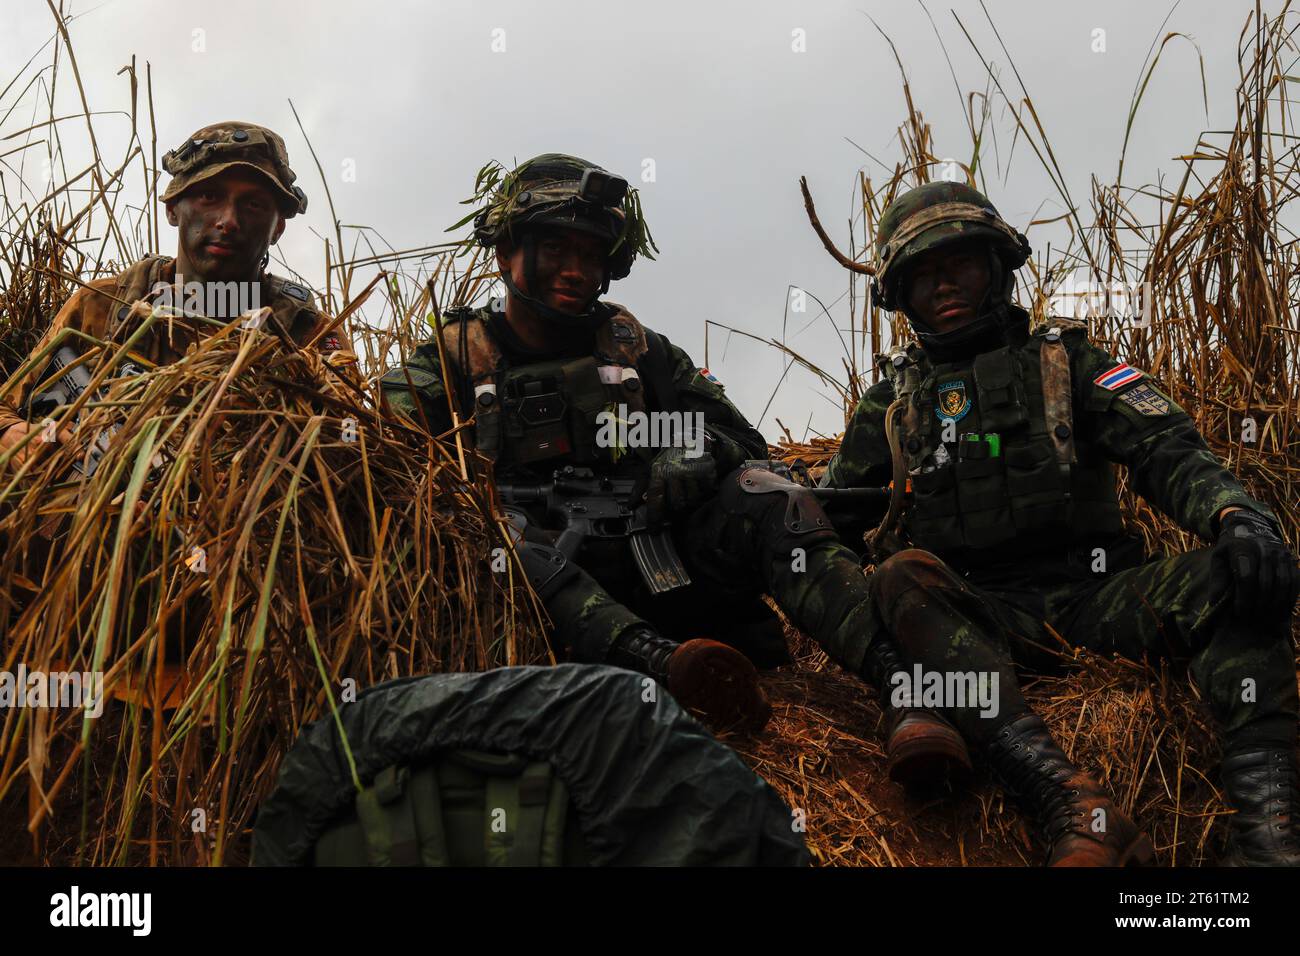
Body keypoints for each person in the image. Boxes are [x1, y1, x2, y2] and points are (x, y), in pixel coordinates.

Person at [382, 154, 973, 784]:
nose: (576, 270)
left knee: (770, 495)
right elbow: (387, 470)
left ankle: (904, 687)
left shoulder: (639, 351)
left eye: (591, 252)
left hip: (662, 562)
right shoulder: (447, 364)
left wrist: (695, 447)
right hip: (537, 594)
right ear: (506, 254)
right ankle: (676, 672)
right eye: (555, 248)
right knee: (505, 545)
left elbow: (743, 439)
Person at [823, 179, 1300, 866]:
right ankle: (1067, 800)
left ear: (995, 266)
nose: (942, 285)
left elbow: (1166, 449)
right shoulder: (890, 405)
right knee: (902, 577)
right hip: (975, 624)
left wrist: (1235, 515)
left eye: (957, 263)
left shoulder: (1067, 361)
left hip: (1098, 599)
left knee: (1243, 575)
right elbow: (833, 520)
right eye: (920, 275)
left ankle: (1267, 833)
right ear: (899, 296)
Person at [0, 121, 355, 472]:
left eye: (254, 205)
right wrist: (18, 433)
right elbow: (7, 407)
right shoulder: (104, 304)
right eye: (209, 196)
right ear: (172, 208)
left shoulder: (307, 333)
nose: (228, 221)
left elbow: (355, 443)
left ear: (278, 227)